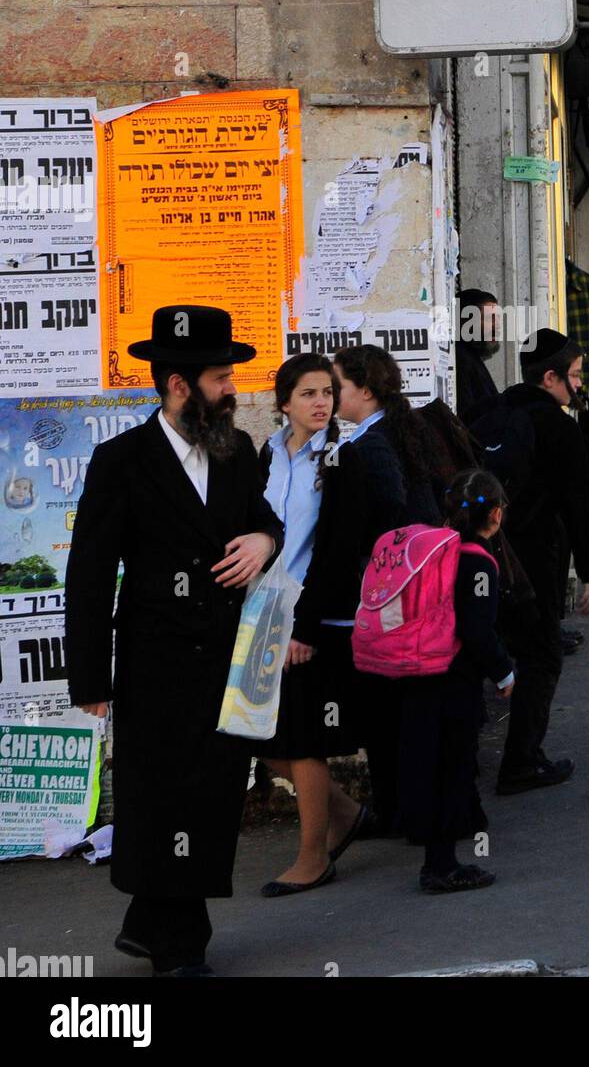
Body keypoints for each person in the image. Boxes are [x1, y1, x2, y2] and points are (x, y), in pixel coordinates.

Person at [65, 306, 284, 977]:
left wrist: (262, 541)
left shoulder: (238, 450)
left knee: (213, 796)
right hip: (153, 664)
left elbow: (262, 520)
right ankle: (179, 947)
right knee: (162, 798)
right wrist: (91, 682)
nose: (234, 391)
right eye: (221, 378)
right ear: (179, 385)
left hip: (226, 659)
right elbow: (90, 573)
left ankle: (149, 921)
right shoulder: (121, 461)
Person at [255, 354, 370, 897]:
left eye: (327, 392)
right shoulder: (269, 453)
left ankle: (312, 856)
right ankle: (346, 814)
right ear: (284, 402)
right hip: (262, 611)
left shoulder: (342, 457)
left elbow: (337, 551)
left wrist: (305, 627)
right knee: (249, 730)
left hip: (310, 615)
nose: (321, 402)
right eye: (307, 393)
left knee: (303, 739)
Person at [470, 329, 589, 793]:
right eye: (576, 377)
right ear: (550, 377)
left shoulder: (493, 413)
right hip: (534, 561)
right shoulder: (558, 427)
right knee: (542, 655)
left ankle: (465, 763)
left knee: (483, 650)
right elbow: (577, 503)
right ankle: (522, 761)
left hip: (478, 557)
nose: (580, 386)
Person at [330, 344, 440, 832]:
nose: (330, 394)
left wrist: (362, 554)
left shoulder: (369, 444)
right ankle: (408, 807)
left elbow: (391, 510)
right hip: (420, 588)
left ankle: (401, 811)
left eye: (338, 385)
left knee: (386, 710)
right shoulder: (397, 429)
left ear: (366, 391)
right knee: (404, 707)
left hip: (392, 593)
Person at [395, 469, 516, 894]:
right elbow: (477, 631)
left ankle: (435, 846)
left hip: (415, 668)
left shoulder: (432, 548)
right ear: (497, 515)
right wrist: (504, 672)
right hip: (453, 678)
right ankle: (441, 865)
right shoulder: (479, 562)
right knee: (453, 764)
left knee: (426, 762)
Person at [455, 288, 501, 426]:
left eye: (497, 317)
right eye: (488, 318)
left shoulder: (470, 357)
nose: (496, 326)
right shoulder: (460, 360)